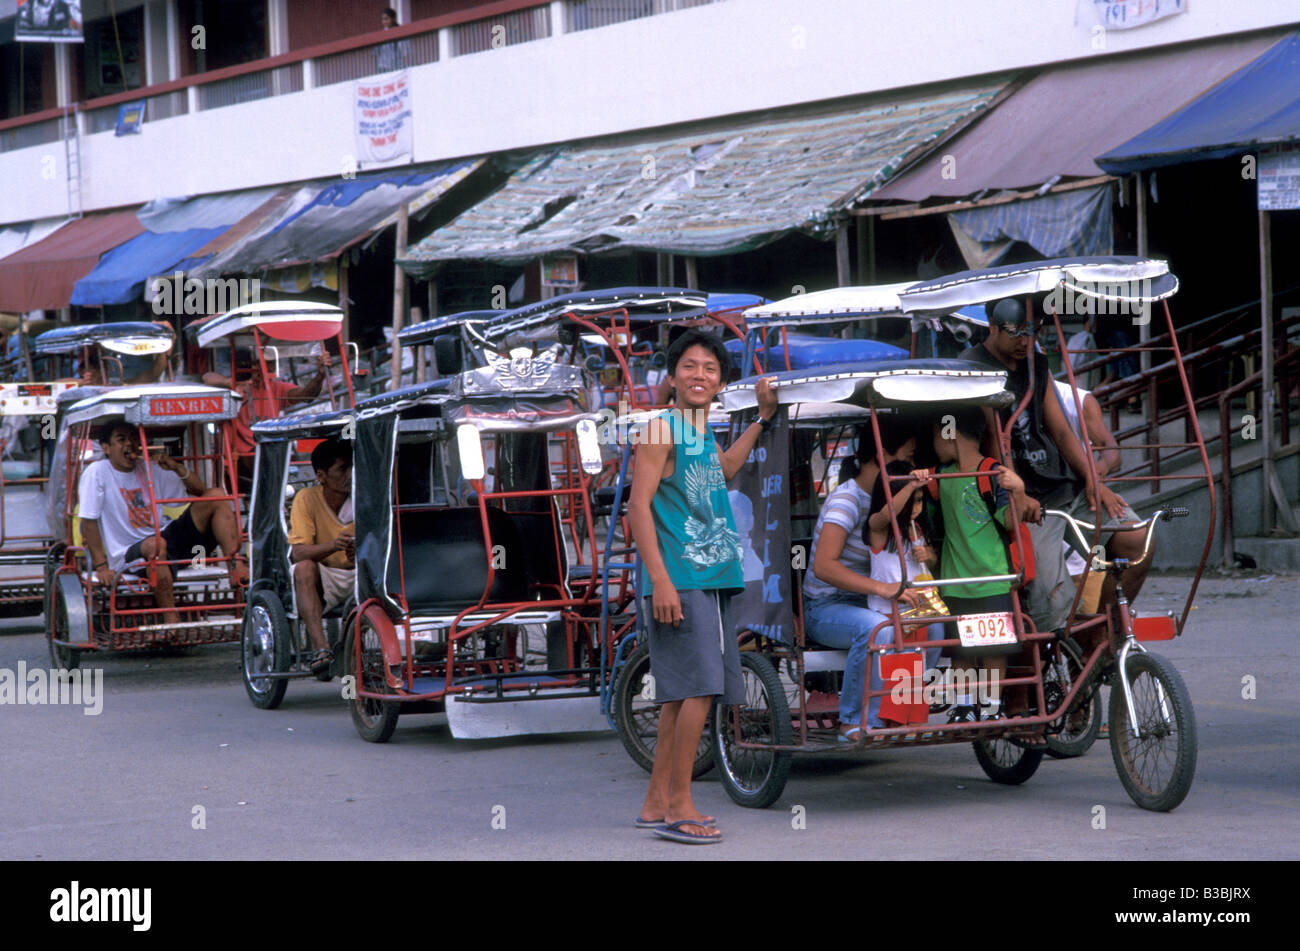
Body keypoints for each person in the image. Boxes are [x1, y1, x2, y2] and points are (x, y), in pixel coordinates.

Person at [628, 328, 777, 845]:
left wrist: (761, 419)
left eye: (710, 370)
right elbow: (636, 508)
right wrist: (662, 581)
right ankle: (680, 805)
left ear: (720, 384)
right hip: (681, 579)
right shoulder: (659, 429)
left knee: (680, 695)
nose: (699, 375)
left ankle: (655, 801)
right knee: (699, 690)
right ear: (672, 376)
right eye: (689, 366)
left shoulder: (701, 432)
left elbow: (727, 468)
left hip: (711, 578)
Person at [961, 299, 1134, 637]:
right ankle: (1059, 652)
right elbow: (994, 442)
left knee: (1138, 540)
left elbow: (1061, 431)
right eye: (1016, 334)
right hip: (1025, 498)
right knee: (1051, 601)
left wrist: (1091, 480)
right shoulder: (970, 367)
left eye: (1032, 333)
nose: (1025, 343)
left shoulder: (1035, 363)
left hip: (1062, 486)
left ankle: (1097, 639)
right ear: (992, 327)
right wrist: (1015, 493)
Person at [803, 416, 920, 742]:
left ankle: (898, 713)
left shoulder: (891, 498)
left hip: (873, 600)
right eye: (907, 458)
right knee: (875, 630)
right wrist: (884, 588)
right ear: (882, 453)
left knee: (933, 626)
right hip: (827, 606)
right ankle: (853, 722)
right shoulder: (848, 499)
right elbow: (825, 566)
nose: (912, 466)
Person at [915, 407, 1029, 723]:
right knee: (962, 650)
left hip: (994, 578)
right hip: (955, 580)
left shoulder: (993, 474)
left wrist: (1017, 490)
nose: (935, 442)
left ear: (948, 433)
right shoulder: (939, 477)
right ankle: (965, 706)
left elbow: (1010, 522)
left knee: (994, 649)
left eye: (937, 434)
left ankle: (990, 708)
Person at [77, 421, 245, 627]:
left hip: (165, 539)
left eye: (134, 439)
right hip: (129, 552)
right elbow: (88, 521)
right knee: (156, 545)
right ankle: (170, 617)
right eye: (121, 440)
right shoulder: (97, 471)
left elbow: (202, 494)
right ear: (106, 448)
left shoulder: (147, 467)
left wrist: (177, 468)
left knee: (217, 496)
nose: (130, 444)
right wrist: (102, 566)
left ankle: (236, 566)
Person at [1053, 377, 1154, 608]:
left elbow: (1111, 449)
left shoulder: (1077, 399)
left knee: (1136, 536)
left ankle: (1106, 629)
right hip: (1033, 498)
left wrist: (1098, 471)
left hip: (1077, 493)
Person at [861, 459, 946, 719]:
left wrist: (929, 555)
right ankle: (893, 719)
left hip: (920, 609)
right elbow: (887, 515)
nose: (915, 508)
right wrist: (908, 487)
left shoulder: (917, 528)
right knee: (903, 662)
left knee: (930, 646)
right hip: (889, 611)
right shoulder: (878, 528)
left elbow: (929, 563)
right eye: (911, 502)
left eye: (919, 501)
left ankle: (912, 714)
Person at [204, 351, 329, 491]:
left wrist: (320, 376)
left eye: (268, 364)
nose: (263, 369)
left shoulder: (275, 388)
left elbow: (306, 396)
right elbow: (206, 377)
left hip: (265, 456)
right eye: (260, 364)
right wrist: (231, 383)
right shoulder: (236, 386)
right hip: (238, 461)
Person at [288, 438, 355, 676]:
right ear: (321, 475)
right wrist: (334, 545)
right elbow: (299, 552)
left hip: (359, 573)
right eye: (342, 469)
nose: (349, 475)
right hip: (325, 576)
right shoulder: (306, 499)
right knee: (304, 568)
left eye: (352, 468)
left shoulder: (363, 497)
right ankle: (321, 648)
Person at [374, 7, 409, 72]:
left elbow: (405, 51)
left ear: (393, 19)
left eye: (386, 19)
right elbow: (376, 52)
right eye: (383, 19)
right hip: (383, 66)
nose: (384, 22)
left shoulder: (401, 32)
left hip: (397, 66)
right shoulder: (381, 34)